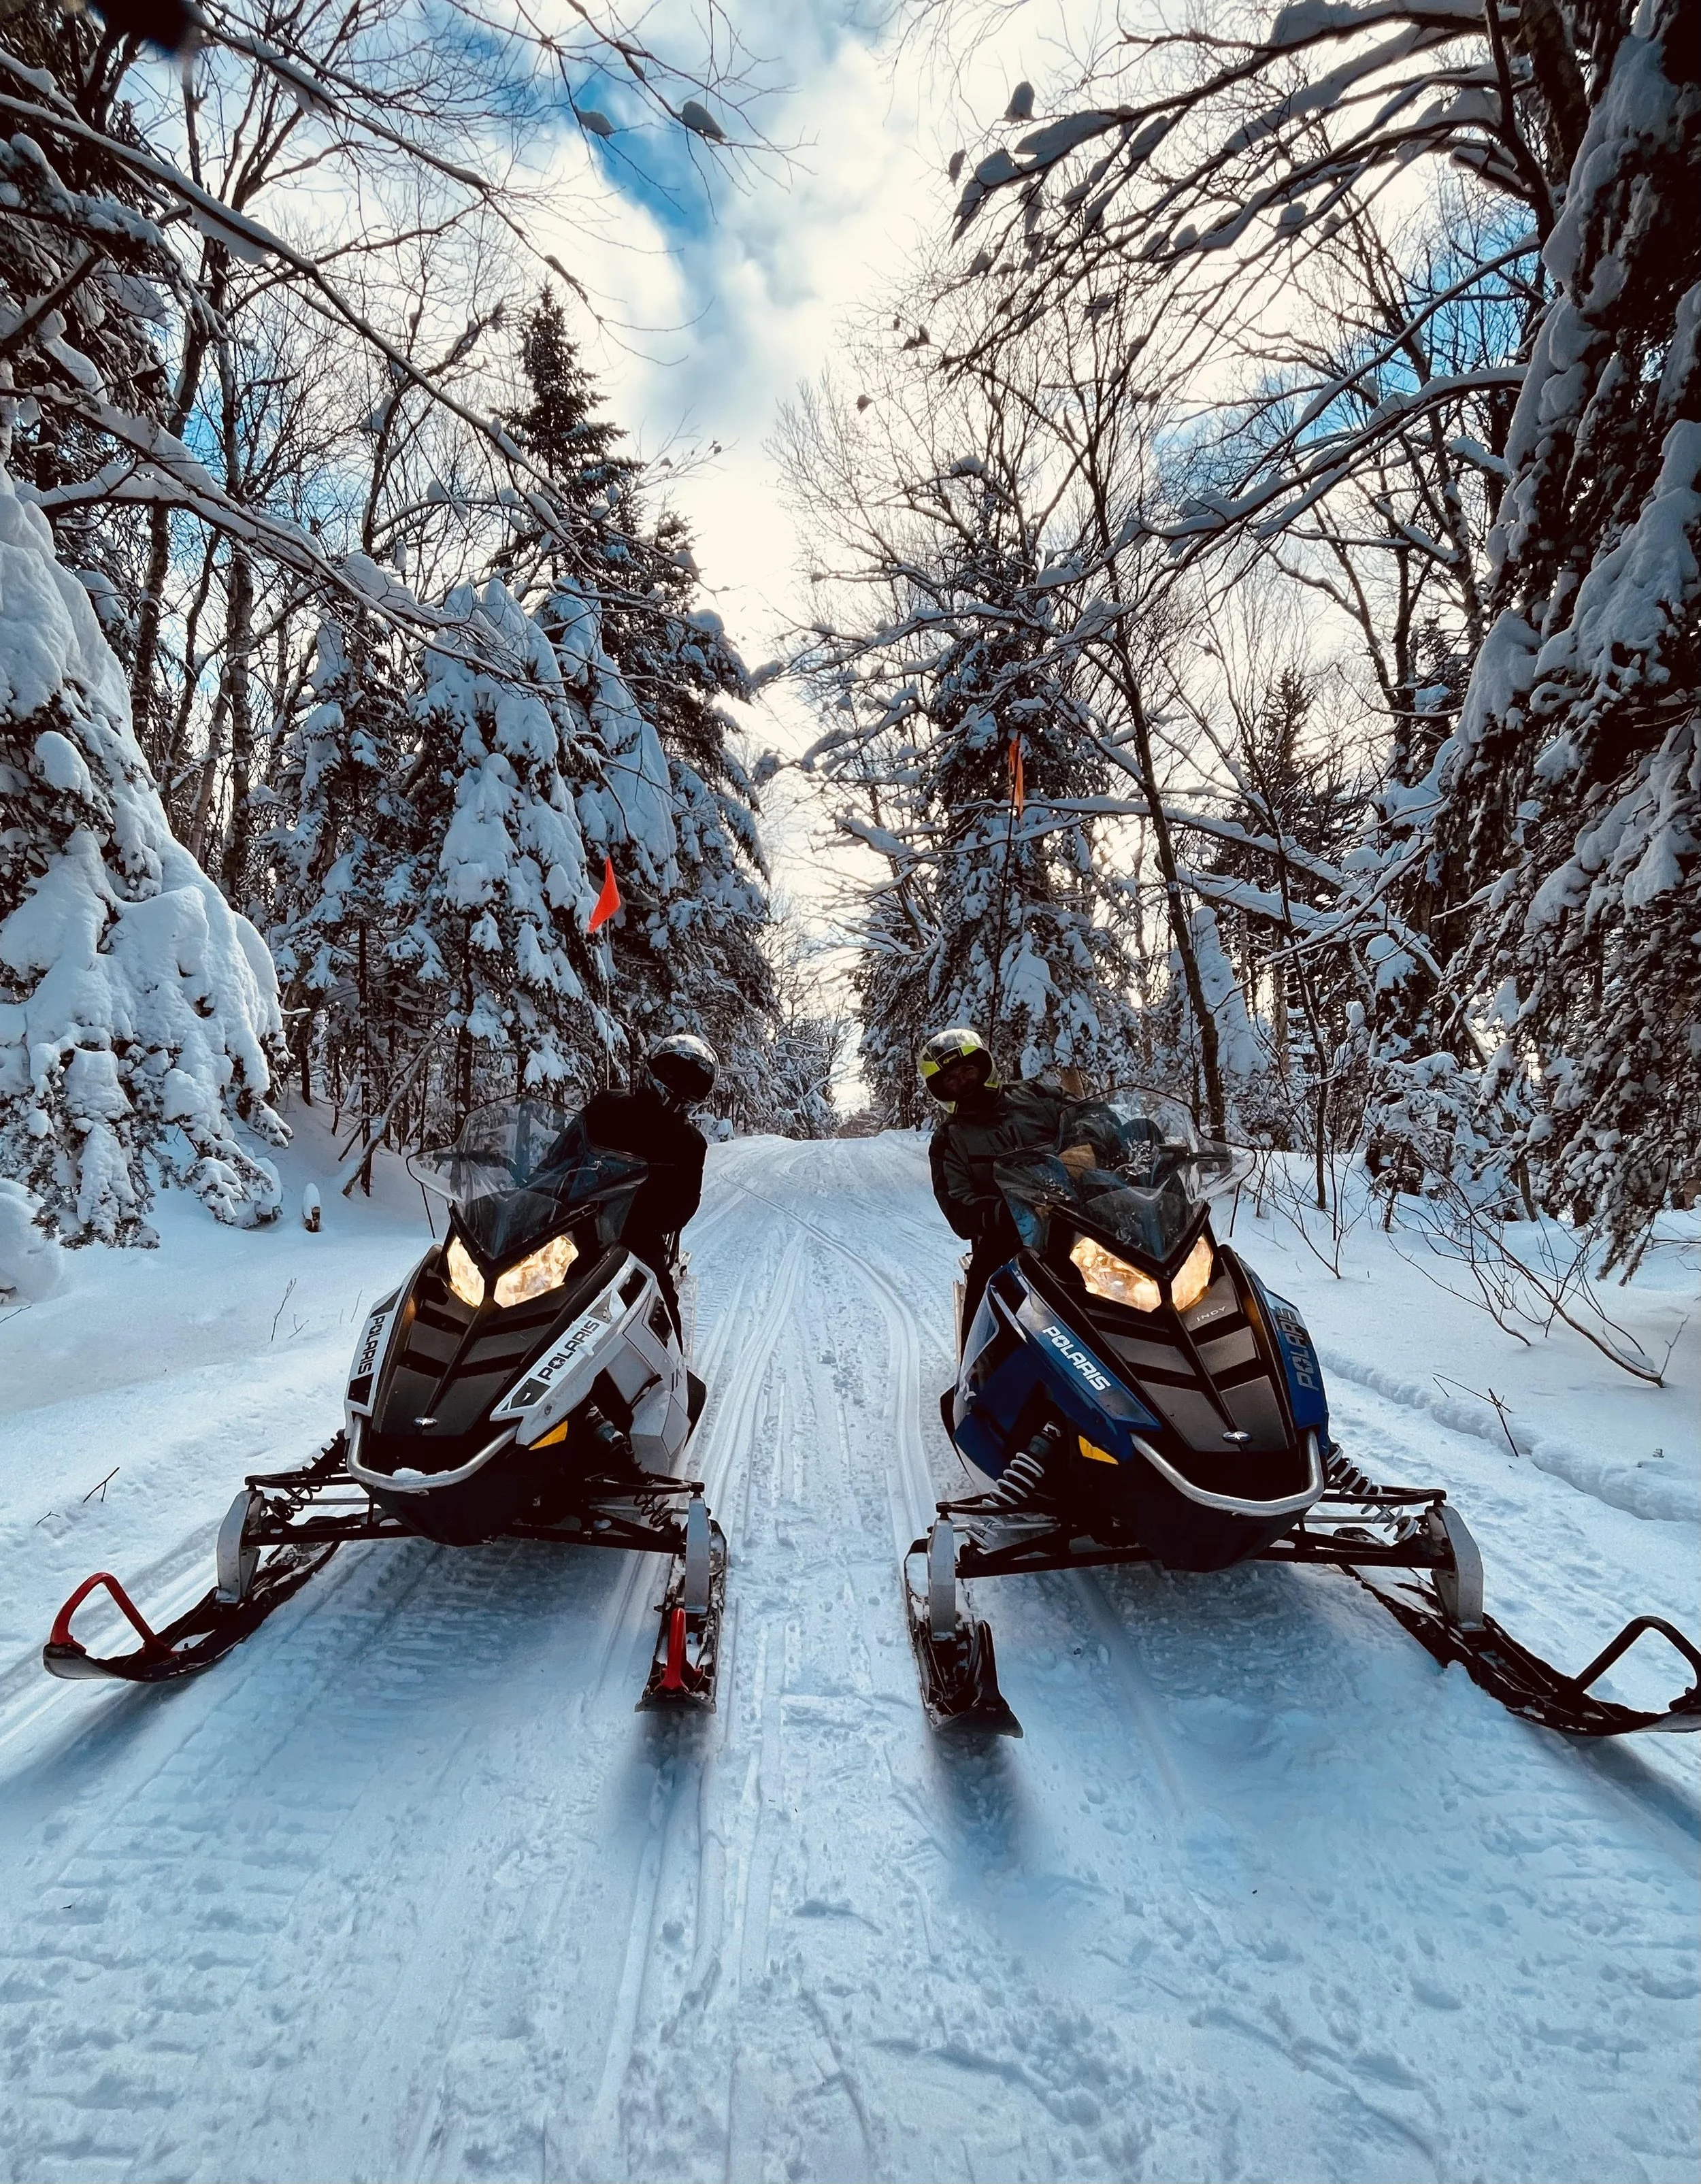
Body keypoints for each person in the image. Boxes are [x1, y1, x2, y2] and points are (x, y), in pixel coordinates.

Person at [920, 1027, 1094, 1351]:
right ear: (941, 1090)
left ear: (984, 1066)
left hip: (1086, 1211)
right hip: (1014, 1236)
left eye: (967, 1070)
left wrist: (1088, 1146)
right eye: (951, 1079)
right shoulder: (949, 1140)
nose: (963, 1081)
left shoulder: (1037, 1096)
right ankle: (976, 1377)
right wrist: (1012, 1207)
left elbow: (1093, 1116)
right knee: (988, 1289)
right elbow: (960, 1209)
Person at [580, 1034, 716, 1335]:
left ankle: (674, 1376)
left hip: (635, 1237)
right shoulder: (608, 1107)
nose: (680, 1088)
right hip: (576, 1219)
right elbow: (562, 1156)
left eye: (691, 1084)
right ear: (656, 1071)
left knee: (661, 1310)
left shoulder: (690, 1143)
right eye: (674, 1076)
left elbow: (681, 1209)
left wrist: (642, 1204)